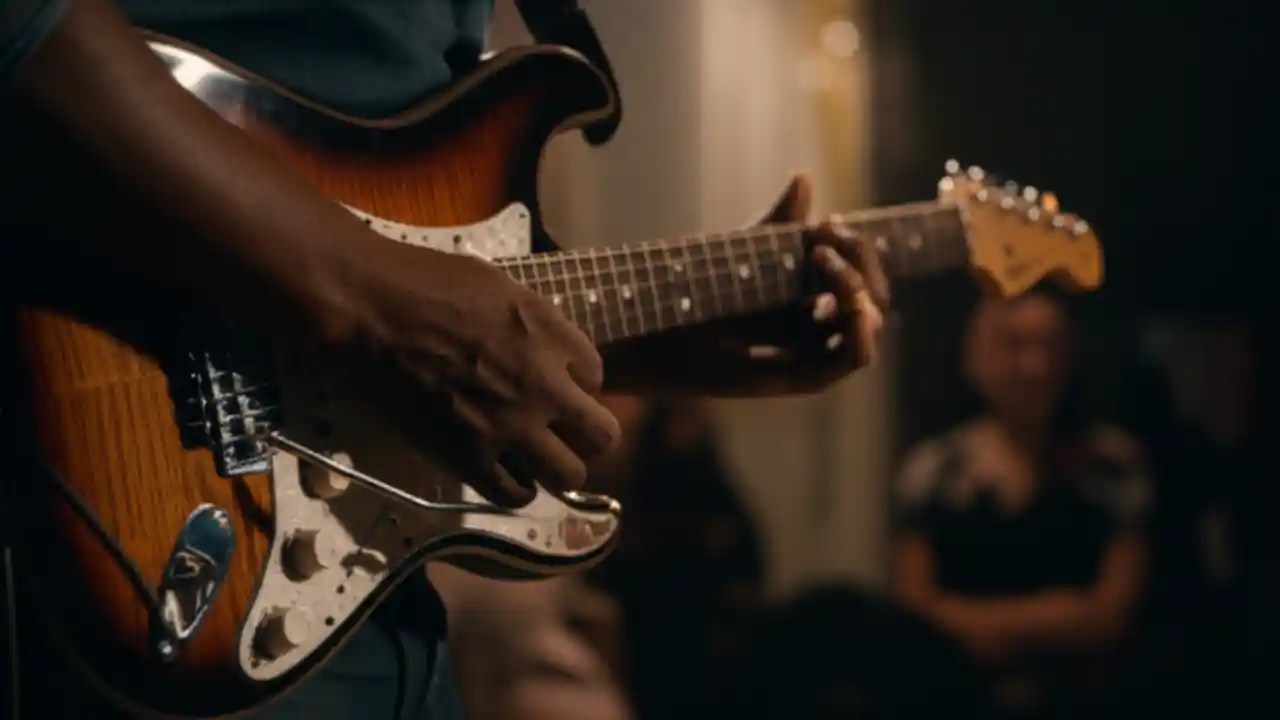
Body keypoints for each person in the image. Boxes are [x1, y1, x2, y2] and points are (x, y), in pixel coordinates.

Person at [1, 1, 890, 718]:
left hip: (356, 604)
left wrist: (633, 348)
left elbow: (420, 233)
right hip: (126, 490)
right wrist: (371, 303)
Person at [890, 291, 1150, 718]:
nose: (1035, 367)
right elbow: (916, 610)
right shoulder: (931, 471)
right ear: (974, 357)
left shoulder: (1114, 465)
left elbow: (1112, 614)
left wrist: (976, 624)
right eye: (1013, 345)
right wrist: (1058, 615)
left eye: (1050, 346)